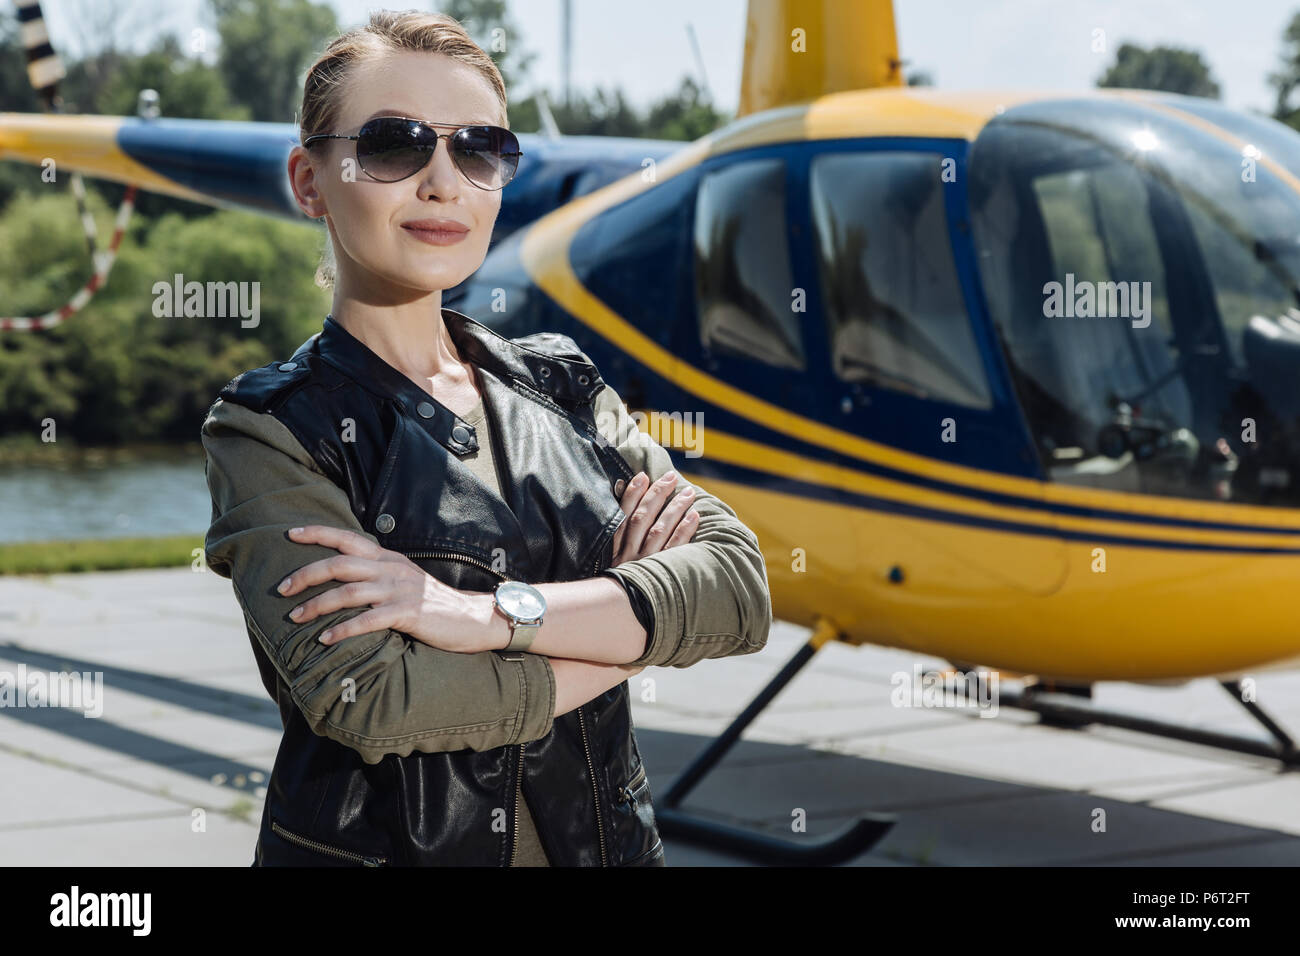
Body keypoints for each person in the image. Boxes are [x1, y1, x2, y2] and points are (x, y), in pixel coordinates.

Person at [201, 8, 772, 867]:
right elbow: (378, 699)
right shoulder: (270, 430)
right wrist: (633, 628)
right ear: (310, 180)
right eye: (395, 144)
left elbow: (737, 587)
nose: (443, 182)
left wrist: (487, 616)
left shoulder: (563, 382)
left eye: (479, 149)